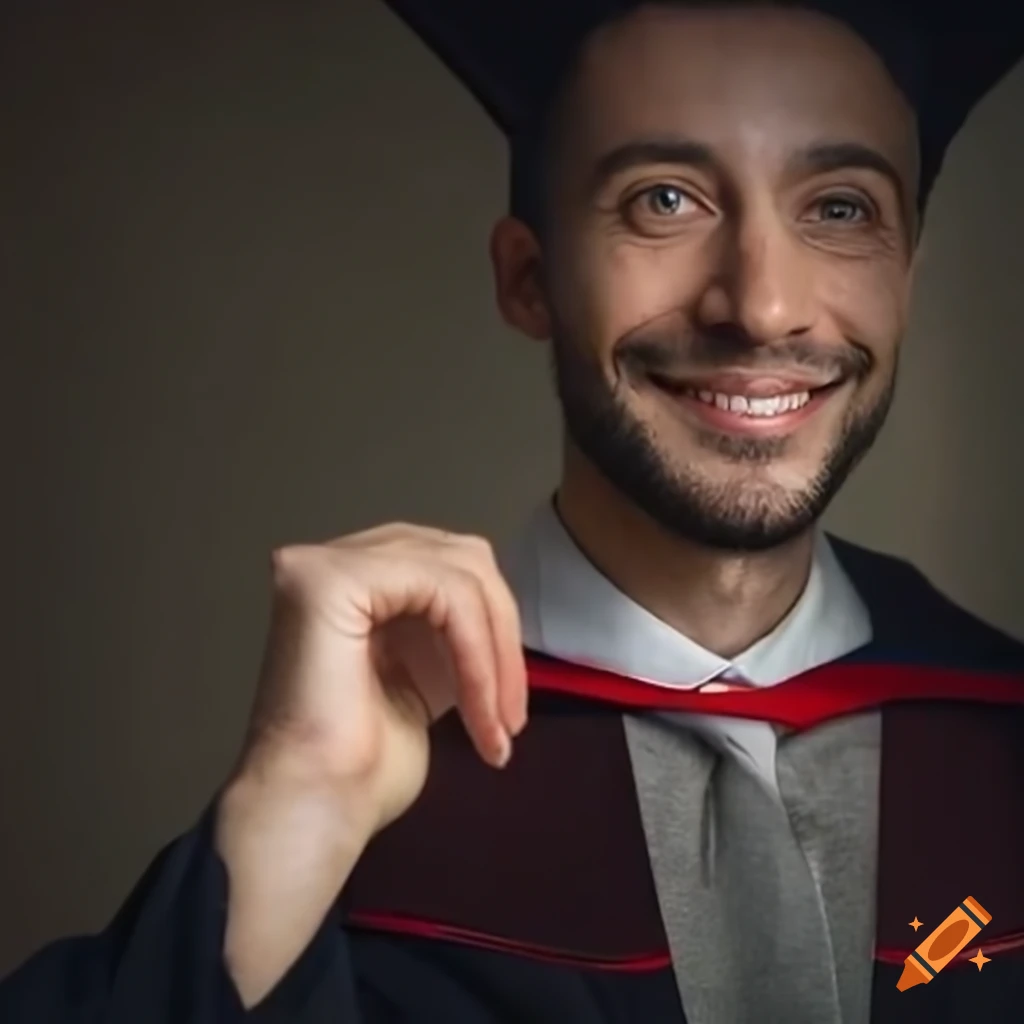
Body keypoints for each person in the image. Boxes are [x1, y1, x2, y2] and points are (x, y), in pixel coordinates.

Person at [2, 1, 1023, 1021]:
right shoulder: (366, 784)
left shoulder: (999, 735)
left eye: (839, 209)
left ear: (905, 278)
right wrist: (292, 812)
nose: (761, 306)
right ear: (529, 279)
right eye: (664, 199)